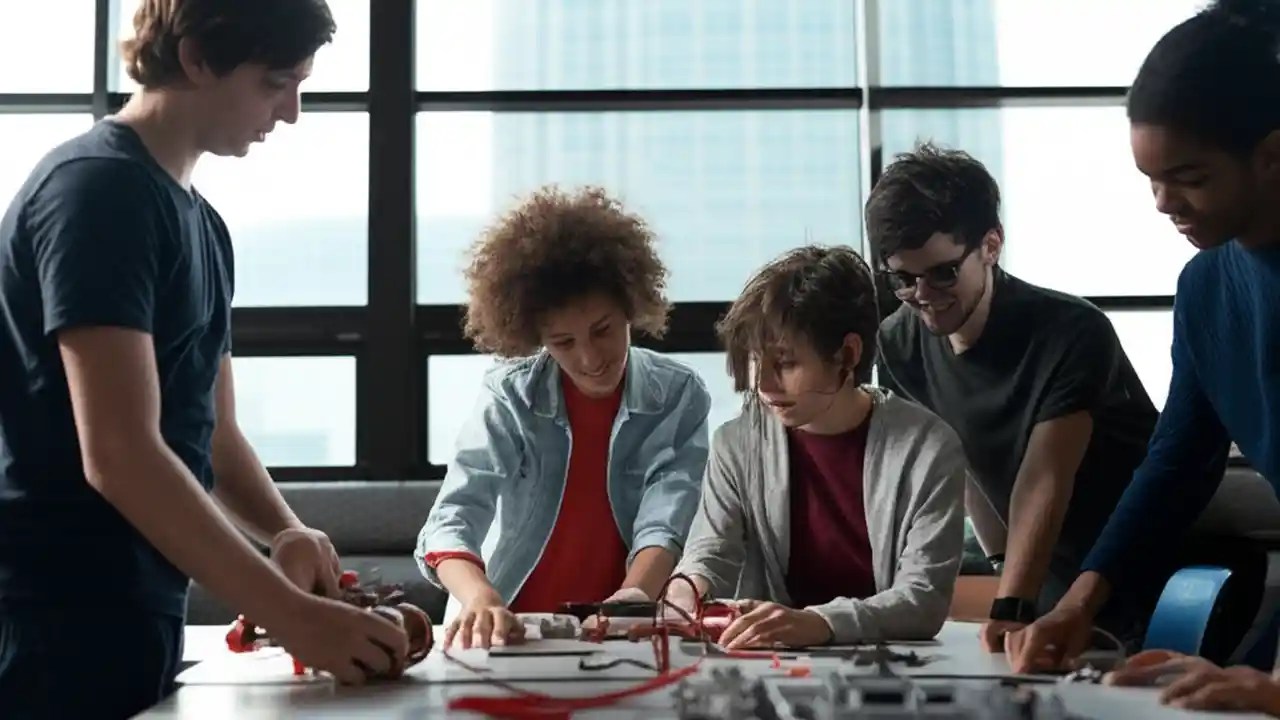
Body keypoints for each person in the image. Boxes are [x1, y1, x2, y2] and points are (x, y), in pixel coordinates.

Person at [0, 1, 410, 716]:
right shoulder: (96, 191)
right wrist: (293, 615)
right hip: (53, 613)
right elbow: (121, 453)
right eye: (275, 82)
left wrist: (285, 531)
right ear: (195, 58)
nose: (291, 113)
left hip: (139, 607)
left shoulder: (203, 223)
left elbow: (213, 435)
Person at [1006, 0, 1280, 713]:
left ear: (1272, 153)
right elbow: (1176, 464)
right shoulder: (1206, 288)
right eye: (1149, 179)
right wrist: (1080, 602)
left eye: (1189, 177)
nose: (1164, 203)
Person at [870, 143, 1161, 652]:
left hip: (1134, 573)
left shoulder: (1072, 332)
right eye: (903, 278)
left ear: (990, 245)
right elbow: (956, 464)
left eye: (942, 273)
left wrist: (1011, 606)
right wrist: (1008, 574)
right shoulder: (898, 342)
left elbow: (1044, 475)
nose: (923, 295)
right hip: (1046, 578)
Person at [415, 185, 711, 650]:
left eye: (603, 330)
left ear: (631, 306)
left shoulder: (678, 394)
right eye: (564, 343)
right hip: (504, 631)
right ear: (536, 336)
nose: (590, 358)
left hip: (618, 630)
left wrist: (632, 597)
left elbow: (669, 512)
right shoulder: (510, 395)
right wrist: (480, 597)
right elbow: (454, 513)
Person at [669, 245, 967, 649]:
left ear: (848, 354)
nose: (763, 384)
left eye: (786, 363)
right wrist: (688, 588)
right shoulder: (736, 443)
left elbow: (923, 599)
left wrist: (819, 623)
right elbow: (711, 549)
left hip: (884, 671)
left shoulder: (927, 449)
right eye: (756, 360)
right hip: (765, 663)